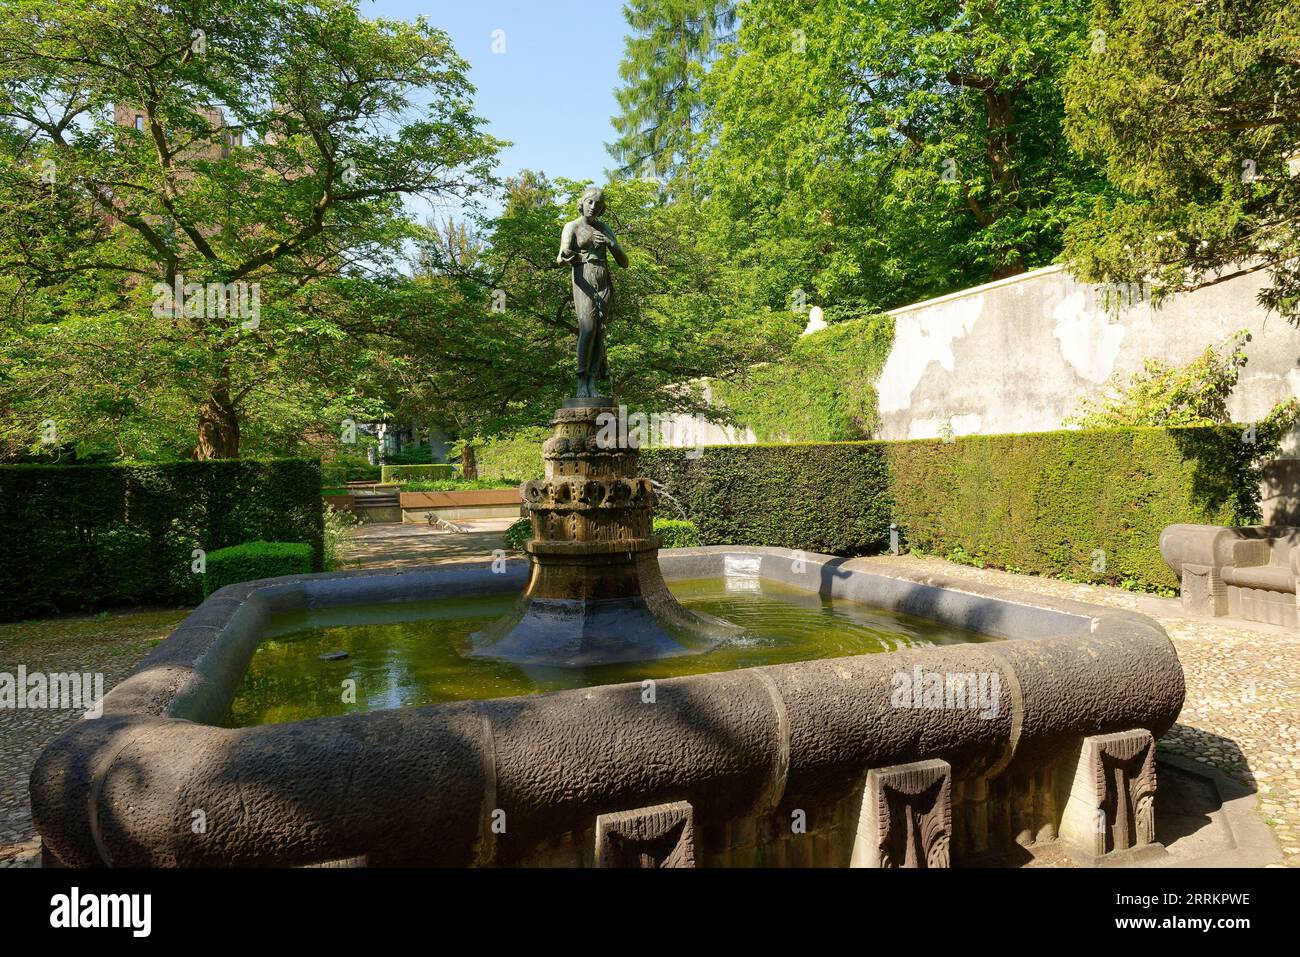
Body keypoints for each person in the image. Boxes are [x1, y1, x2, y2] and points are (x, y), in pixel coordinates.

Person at [556, 186, 628, 398]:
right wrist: (570, 257)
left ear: (602, 208)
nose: (593, 206)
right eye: (590, 202)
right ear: (582, 203)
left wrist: (610, 243)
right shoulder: (572, 226)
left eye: (598, 204)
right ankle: (581, 382)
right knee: (587, 328)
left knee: (600, 331)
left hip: (603, 278)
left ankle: (592, 382)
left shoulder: (604, 228)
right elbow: (561, 256)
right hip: (583, 276)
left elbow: (624, 262)